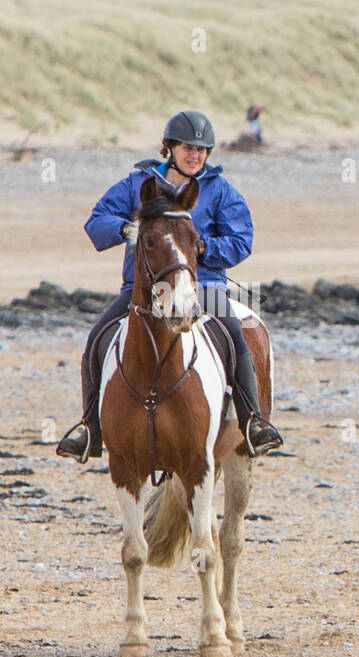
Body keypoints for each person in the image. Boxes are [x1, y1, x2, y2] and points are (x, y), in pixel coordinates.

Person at [57, 109, 282, 463]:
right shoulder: (136, 184)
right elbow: (97, 220)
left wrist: (204, 247)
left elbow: (241, 240)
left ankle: (253, 421)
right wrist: (124, 230)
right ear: (170, 148)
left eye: (202, 150)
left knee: (237, 335)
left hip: (203, 286)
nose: (195, 156)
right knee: (97, 338)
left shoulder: (220, 190)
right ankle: (90, 428)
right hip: (144, 289)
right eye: (187, 148)